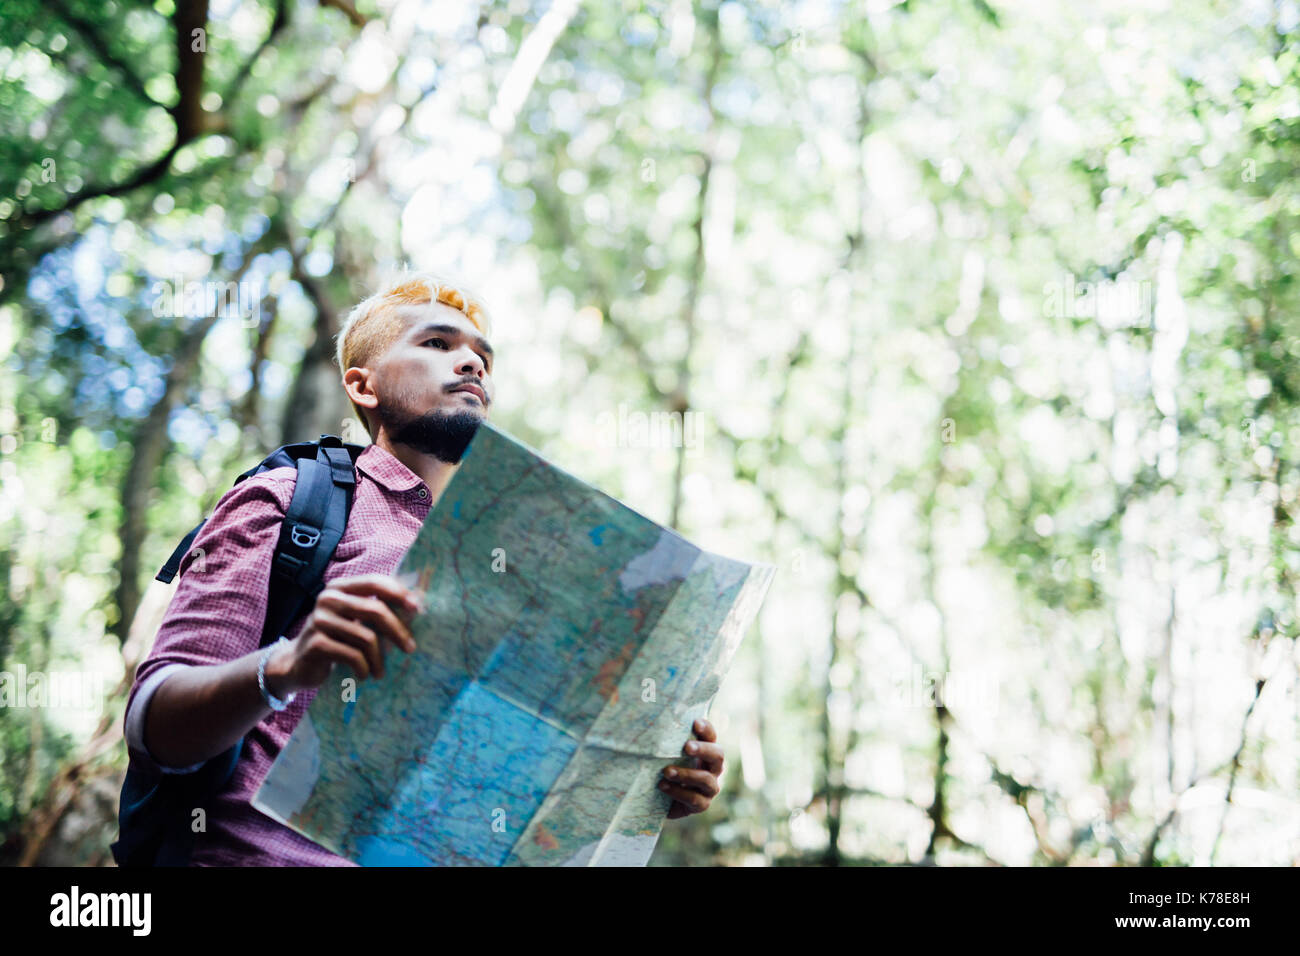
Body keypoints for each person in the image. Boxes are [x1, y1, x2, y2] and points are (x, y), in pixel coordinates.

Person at [122, 271, 726, 865]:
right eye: (438, 345)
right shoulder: (293, 498)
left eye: (482, 358)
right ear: (364, 387)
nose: (471, 365)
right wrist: (286, 665)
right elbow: (155, 723)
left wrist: (643, 786)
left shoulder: (520, 563)